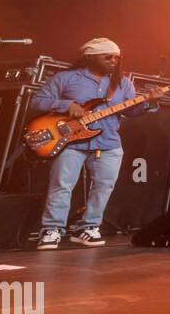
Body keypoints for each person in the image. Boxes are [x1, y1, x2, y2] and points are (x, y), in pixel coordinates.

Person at [30, 37, 154, 249]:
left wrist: (148, 103)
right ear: (90, 56)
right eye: (108, 56)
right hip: (70, 142)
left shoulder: (122, 83)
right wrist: (66, 104)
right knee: (62, 186)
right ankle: (51, 229)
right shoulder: (66, 78)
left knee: (104, 186)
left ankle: (88, 228)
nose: (113, 60)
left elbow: (130, 110)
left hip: (108, 142)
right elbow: (37, 101)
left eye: (117, 57)